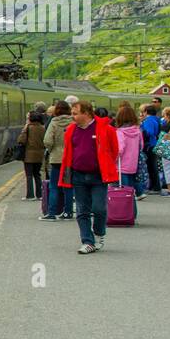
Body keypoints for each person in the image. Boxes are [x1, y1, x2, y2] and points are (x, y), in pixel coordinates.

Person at [59, 100, 120, 254]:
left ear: (86, 113)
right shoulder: (71, 130)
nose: (72, 116)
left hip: (98, 176)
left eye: (75, 113)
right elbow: (68, 152)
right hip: (78, 175)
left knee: (99, 208)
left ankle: (99, 232)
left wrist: (106, 166)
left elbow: (114, 150)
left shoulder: (106, 129)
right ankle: (87, 241)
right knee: (82, 211)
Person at [41, 100, 74, 220]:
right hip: (69, 159)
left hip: (56, 159)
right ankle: (68, 212)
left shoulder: (54, 122)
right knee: (68, 186)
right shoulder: (73, 122)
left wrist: (51, 150)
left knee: (54, 186)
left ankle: (52, 213)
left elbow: (47, 140)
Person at [114, 102, 144, 218]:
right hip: (133, 165)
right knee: (130, 191)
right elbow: (141, 146)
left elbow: (120, 149)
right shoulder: (138, 131)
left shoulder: (120, 132)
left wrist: (114, 160)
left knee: (122, 191)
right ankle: (132, 213)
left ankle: (123, 214)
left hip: (122, 166)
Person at [18, 111, 45, 200]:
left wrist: (25, 128)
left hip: (29, 155)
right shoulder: (42, 128)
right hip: (40, 155)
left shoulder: (28, 128)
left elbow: (21, 140)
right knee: (37, 174)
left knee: (29, 175)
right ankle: (39, 195)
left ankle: (30, 195)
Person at [141, 104, 163, 193]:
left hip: (149, 145)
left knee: (151, 167)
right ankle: (155, 186)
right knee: (153, 166)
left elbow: (149, 132)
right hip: (155, 143)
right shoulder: (157, 119)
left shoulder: (148, 120)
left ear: (146, 112)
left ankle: (155, 186)